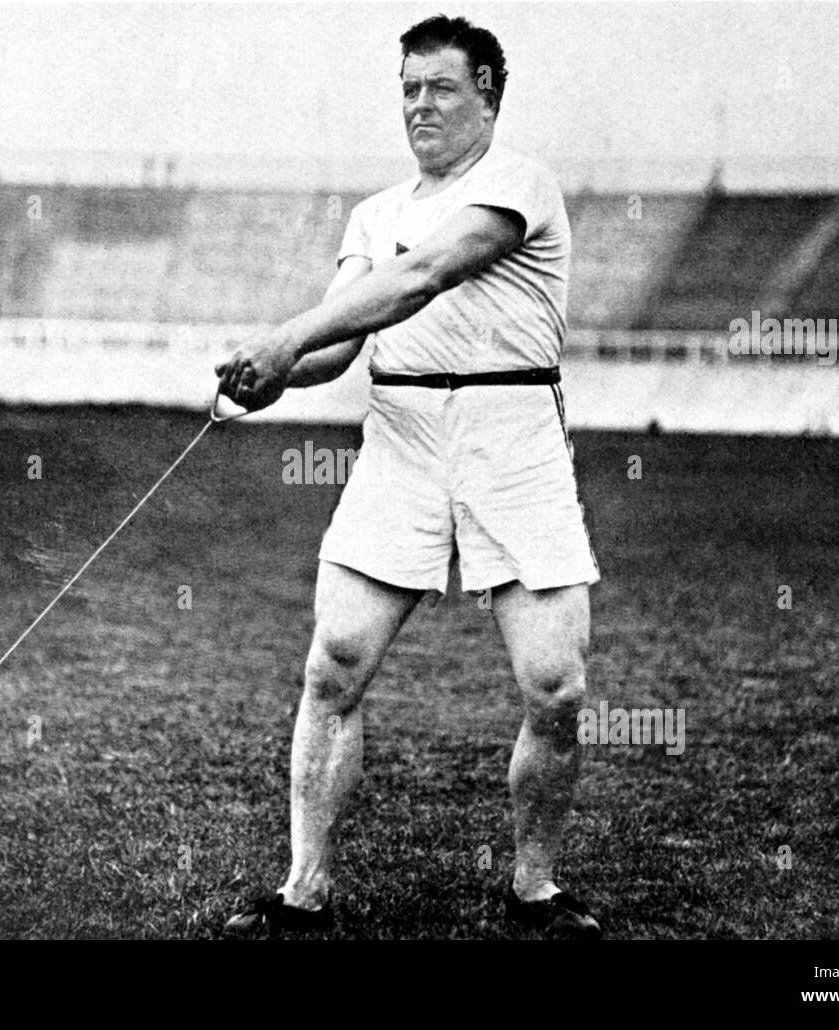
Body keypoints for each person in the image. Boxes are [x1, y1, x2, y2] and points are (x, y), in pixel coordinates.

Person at [215, 14, 601, 939]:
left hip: (515, 436)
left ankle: (534, 889)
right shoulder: (373, 214)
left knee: (555, 686)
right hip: (400, 437)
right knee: (333, 666)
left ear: (489, 98)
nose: (421, 106)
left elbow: (425, 275)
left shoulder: (517, 184)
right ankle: (303, 894)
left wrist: (288, 337)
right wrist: (271, 373)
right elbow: (341, 341)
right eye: (408, 89)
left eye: (442, 88)